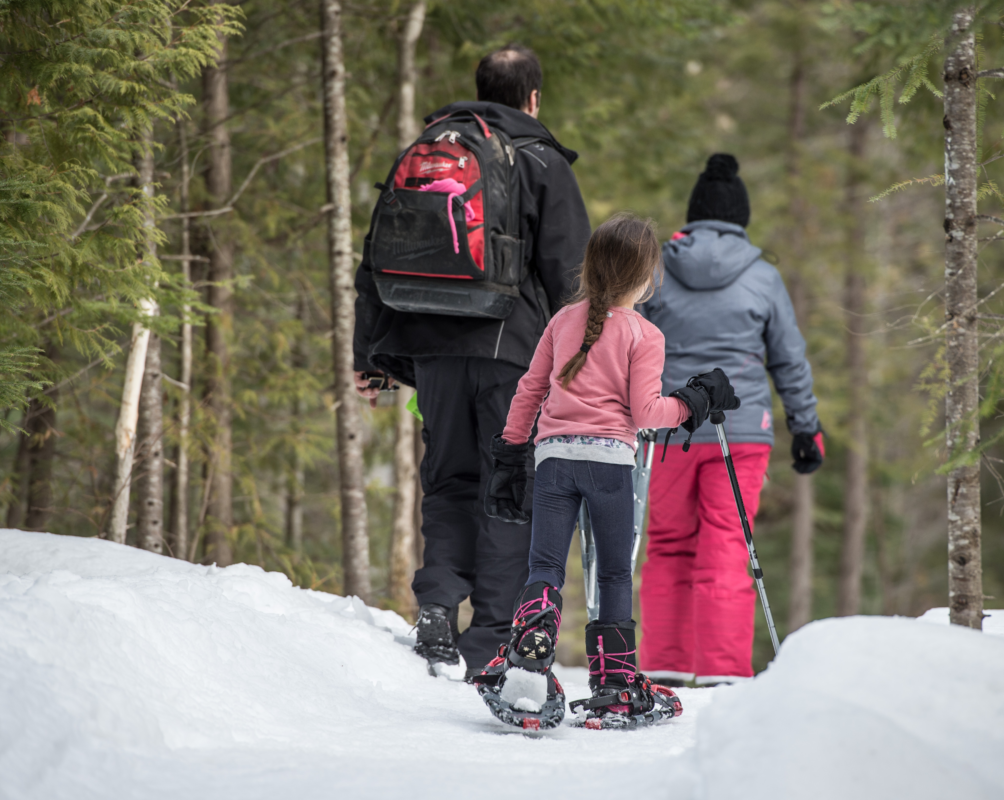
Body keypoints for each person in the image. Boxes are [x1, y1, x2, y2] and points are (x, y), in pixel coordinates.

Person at [352, 45, 591, 678]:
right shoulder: (539, 158)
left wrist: (368, 355)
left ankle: (436, 606)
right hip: (511, 355)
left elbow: (373, 261)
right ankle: (490, 640)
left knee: (449, 478)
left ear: (480, 88)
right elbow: (571, 277)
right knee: (508, 489)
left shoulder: (430, 151)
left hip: (430, 350)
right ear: (534, 98)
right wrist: (583, 365)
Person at [475, 214, 740, 728]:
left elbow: (530, 390)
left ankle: (529, 661)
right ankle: (616, 684)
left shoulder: (562, 320)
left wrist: (510, 453)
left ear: (591, 268)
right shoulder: (645, 334)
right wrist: (692, 403)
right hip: (611, 466)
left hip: (553, 460)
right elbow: (646, 416)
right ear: (646, 278)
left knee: (546, 568)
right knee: (614, 572)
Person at [637, 153, 824, 687]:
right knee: (725, 542)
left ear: (692, 217)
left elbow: (629, 343)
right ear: (740, 218)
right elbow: (788, 357)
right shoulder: (763, 277)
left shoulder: (656, 270)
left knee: (668, 542)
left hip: (669, 427)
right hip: (740, 432)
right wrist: (806, 428)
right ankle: (723, 671)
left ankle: (664, 663)